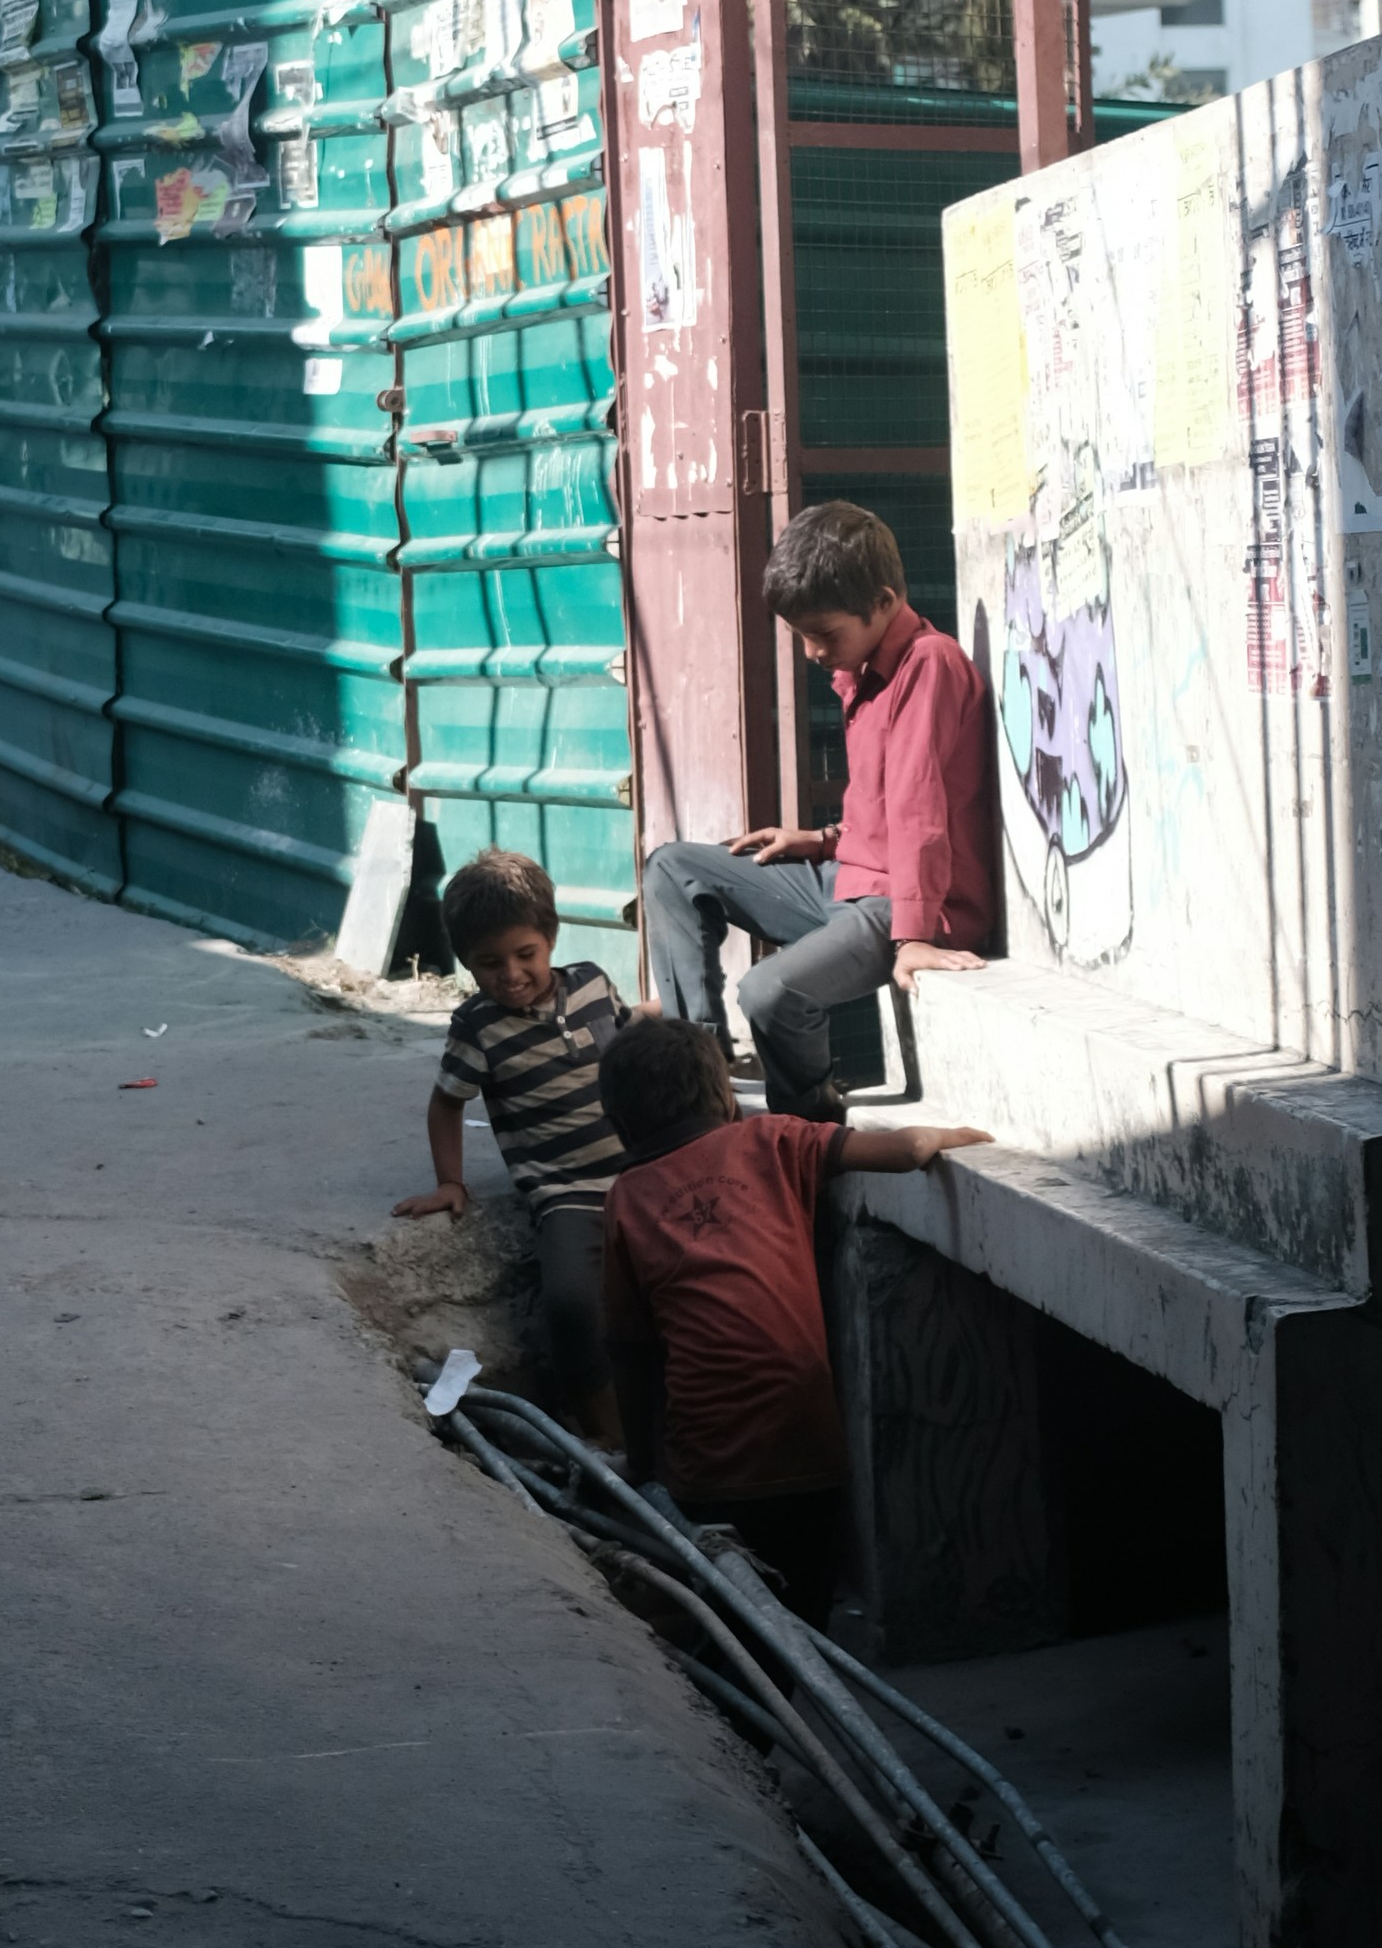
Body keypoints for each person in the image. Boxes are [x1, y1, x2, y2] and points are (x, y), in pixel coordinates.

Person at [592, 1008, 987, 1615]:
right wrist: (947, 1136)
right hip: (810, 1450)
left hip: (708, 1468)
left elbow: (630, 1352)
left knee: (734, 1618)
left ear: (620, 1125)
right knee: (805, 1610)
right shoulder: (775, 1139)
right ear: (726, 1099)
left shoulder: (625, 1198)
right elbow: (907, 1149)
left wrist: (645, 1465)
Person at [642, 500, 995, 1119]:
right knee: (673, 867)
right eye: (800, 635)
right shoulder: (866, 670)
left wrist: (911, 937)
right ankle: (700, 1071)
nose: (810, 652)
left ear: (883, 603)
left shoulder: (929, 664)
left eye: (824, 634)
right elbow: (882, 808)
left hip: (908, 904)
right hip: (853, 880)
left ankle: (810, 1130)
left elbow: (919, 809)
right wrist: (822, 839)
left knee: (770, 992)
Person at [391, 847, 630, 1439]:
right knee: (573, 1304)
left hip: (643, 1176)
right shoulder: (478, 1028)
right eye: (490, 963)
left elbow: (638, 1063)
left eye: (526, 955)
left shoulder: (595, 987)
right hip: (566, 1195)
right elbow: (447, 1102)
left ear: (551, 937)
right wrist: (451, 1181)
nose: (512, 975)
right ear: (467, 964)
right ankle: (604, 1434)